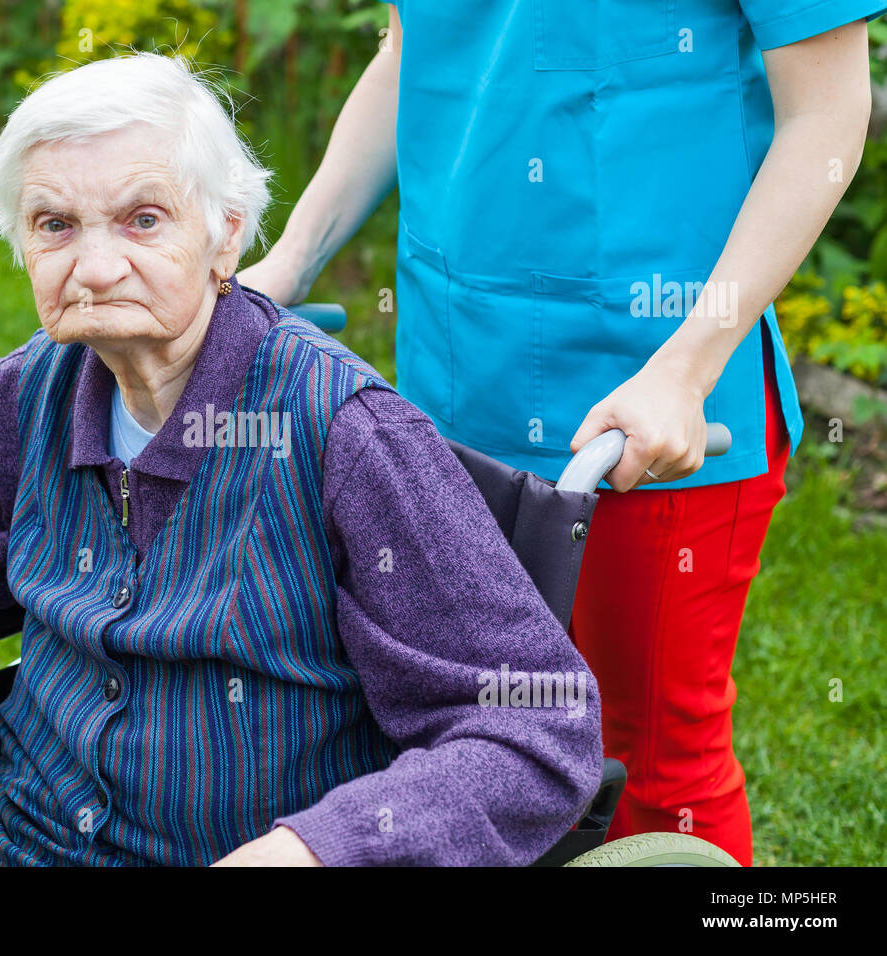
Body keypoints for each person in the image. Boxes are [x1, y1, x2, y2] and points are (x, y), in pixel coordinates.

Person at [0, 52, 603, 866]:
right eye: (55, 225)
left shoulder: (350, 435)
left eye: (143, 219)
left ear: (226, 233)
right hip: (18, 840)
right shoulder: (33, 391)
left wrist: (317, 849)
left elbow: (536, 728)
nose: (94, 268)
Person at [239, 1, 881, 866]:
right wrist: (288, 263)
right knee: (465, 734)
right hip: (450, 378)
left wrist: (685, 370)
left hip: (650, 402)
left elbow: (828, 111)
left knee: (652, 763)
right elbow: (411, 51)